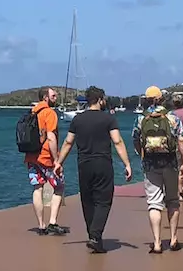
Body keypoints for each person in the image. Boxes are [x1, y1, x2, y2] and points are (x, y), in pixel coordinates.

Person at [55, 85, 132, 253]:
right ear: (99, 100)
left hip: (83, 164)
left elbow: (68, 142)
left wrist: (59, 162)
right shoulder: (108, 119)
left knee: (87, 200)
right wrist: (127, 163)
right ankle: (96, 236)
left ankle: (93, 236)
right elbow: (117, 141)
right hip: (102, 163)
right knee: (103, 200)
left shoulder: (77, 119)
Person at [132, 86, 183, 253]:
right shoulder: (172, 119)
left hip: (150, 164)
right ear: (162, 99)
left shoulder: (141, 119)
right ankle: (173, 239)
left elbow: (135, 139)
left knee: (154, 203)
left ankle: (156, 243)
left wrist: (141, 153)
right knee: (172, 201)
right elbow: (181, 141)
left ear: (147, 100)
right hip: (170, 163)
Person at [24, 87, 69, 236]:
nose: (56, 98)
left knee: (37, 188)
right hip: (45, 158)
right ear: (45, 97)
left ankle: (41, 225)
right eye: (54, 96)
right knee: (59, 186)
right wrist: (57, 160)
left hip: (31, 156)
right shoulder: (49, 113)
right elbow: (51, 137)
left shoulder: (33, 112)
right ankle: (52, 222)